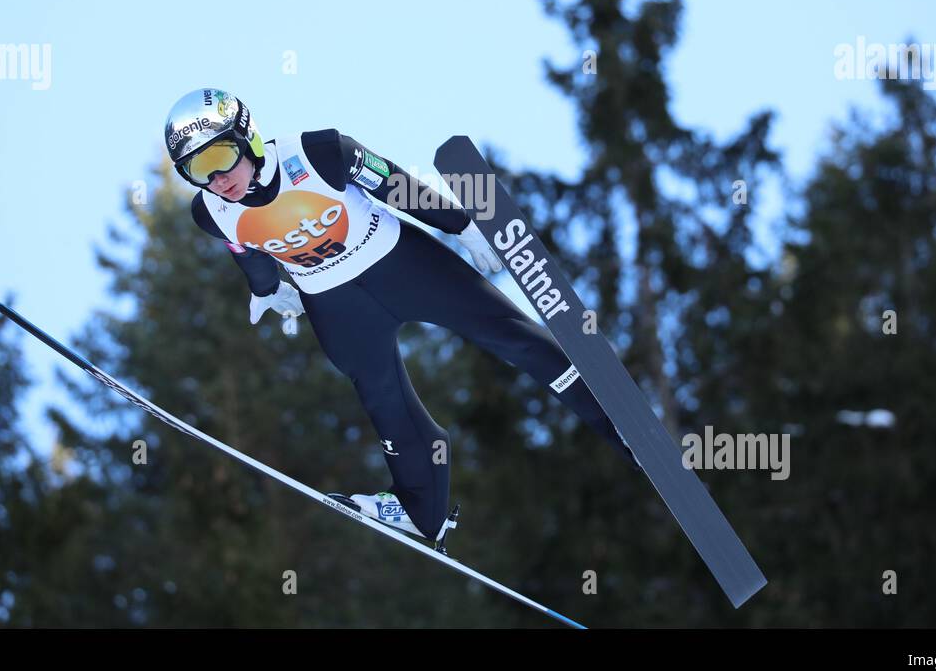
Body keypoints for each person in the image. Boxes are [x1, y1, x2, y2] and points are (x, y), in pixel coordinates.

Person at [165, 88, 637, 547]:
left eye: (219, 158)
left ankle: (619, 424)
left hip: (401, 265)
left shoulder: (318, 152)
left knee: (509, 336)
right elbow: (243, 248)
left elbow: (395, 185)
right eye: (196, 170)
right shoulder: (209, 211)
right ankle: (419, 510)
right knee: (385, 403)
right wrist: (265, 290)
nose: (216, 179)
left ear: (247, 138)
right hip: (336, 307)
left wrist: (462, 225)